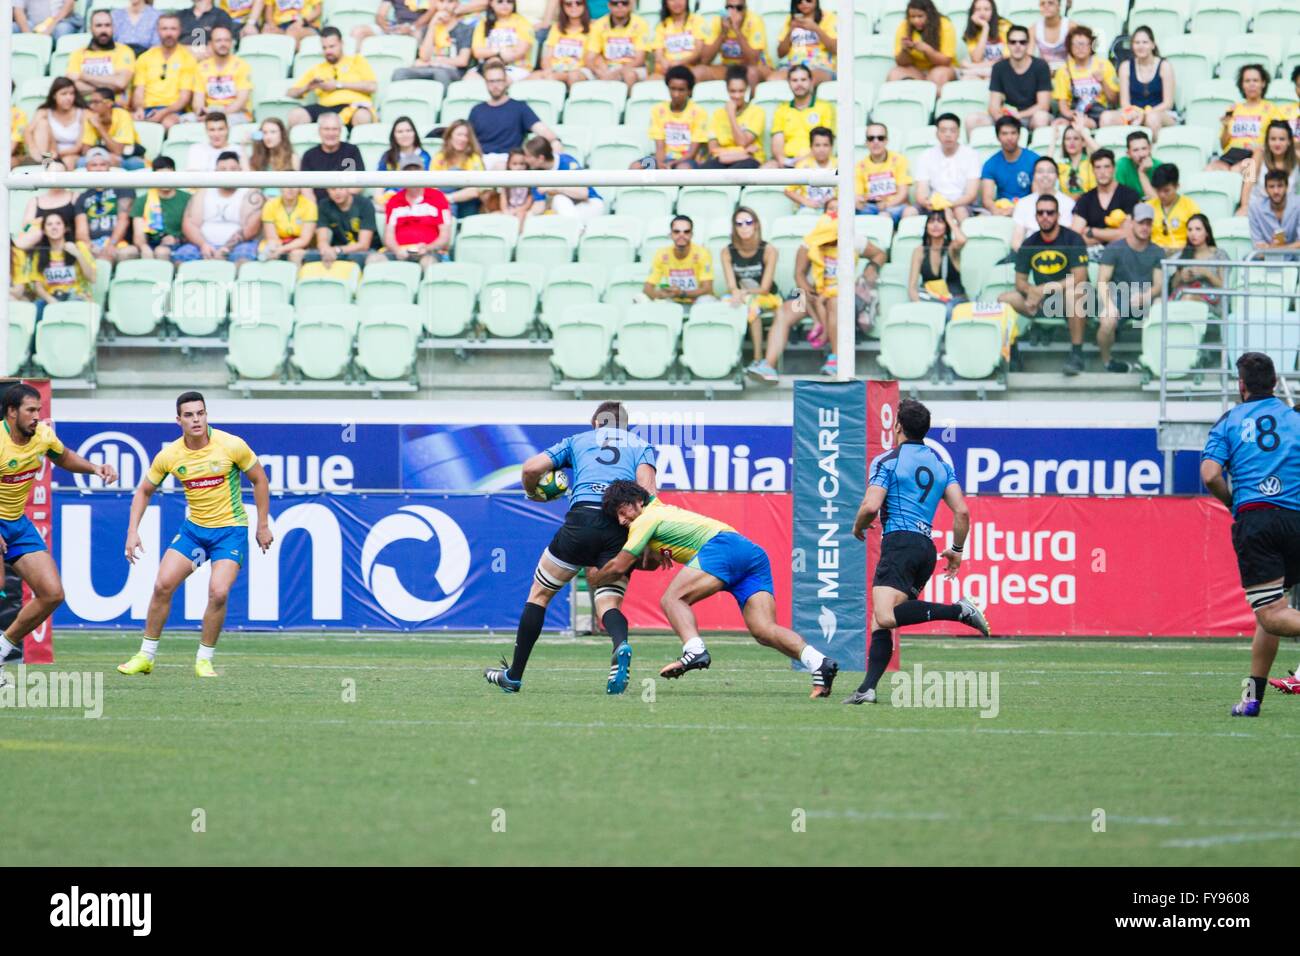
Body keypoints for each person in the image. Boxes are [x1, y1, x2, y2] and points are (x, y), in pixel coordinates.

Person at [590, 480, 841, 698]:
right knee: (764, 630)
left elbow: (619, 565)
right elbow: (653, 562)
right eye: (618, 518)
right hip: (750, 553)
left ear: (637, 502)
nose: (622, 521)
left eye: (623, 512)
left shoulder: (645, 519)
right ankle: (819, 662)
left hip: (722, 547)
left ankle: (694, 651)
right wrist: (652, 552)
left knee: (672, 600)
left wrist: (594, 576)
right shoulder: (659, 512)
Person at [484, 402, 658, 695]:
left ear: (595, 422)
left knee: (539, 595)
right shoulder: (640, 445)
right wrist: (649, 542)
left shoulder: (577, 441)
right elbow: (650, 495)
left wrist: (532, 493)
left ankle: (514, 675)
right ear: (625, 426)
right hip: (619, 527)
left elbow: (530, 468)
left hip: (582, 521)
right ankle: (620, 644)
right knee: (608, 603)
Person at [117, 393, 272, 680]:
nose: (196, 419)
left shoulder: (231, 445)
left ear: (206, 415)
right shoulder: (170, 455)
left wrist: (262, 525)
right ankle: (145, 656)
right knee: (163, 585)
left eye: (200, 413)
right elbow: (144, 491)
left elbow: (259, 479)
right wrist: (132, 531)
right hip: (195, 531)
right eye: (189, 415)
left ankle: (204, 659)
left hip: (230, 531)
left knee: (219, 592)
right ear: (179, 420)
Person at [845, 398, 989, 706]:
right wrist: (957, 550)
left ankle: (959, 611)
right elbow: (962, 512)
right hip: (925, 548)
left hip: (899, 542)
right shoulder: (940, 464)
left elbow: (870, 506)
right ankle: (867, 688)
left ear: (897, 426)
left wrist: (858, 526)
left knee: (884, 615)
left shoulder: (887, 460)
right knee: (880, 621)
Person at [1199, 353, 1300, 716]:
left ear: (1241, 385)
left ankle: (1252, 699)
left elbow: (1210, 474)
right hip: (1295, 519)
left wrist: (1232, 503)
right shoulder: (1294, 418)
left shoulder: (1230, 420)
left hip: (1257, 520)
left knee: (1272, 615)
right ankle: (1251, 699)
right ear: (1273, 382)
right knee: (1270, 613)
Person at [0, 385, 116, 691]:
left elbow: (62, 457)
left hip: (17, 524)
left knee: (52, 594)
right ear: (12, 412)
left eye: (39, 410)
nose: (37, 416)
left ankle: (2, 647)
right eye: (30, 410)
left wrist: (95, 468)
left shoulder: (42, 436)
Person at [999, 193, 1088, 375]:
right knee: (1004, 299)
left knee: (1074, 294)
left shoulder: (1072, 239)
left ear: (1058, 215)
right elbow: (1020, 281)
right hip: (1042, 300)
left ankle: (1077, 354)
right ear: (1036, 216)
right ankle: (1013, 354)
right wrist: (1031, 291)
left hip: (1072, 298)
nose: (1045, 217)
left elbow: (1079, 278)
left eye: (1050, 212)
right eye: (1041, 213)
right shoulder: (1029, 243)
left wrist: (1044, 289)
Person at [1095, 202, 1166, 373]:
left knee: (1159, 306)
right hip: (1119, 297)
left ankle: (1155, 361)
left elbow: (1159, 285)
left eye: (1148, 223)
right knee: (1107, 320)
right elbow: (1102, 280)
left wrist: (1145, 296)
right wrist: (1110, 306)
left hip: (1144, 298)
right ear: (1132, 222)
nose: (1144, 227)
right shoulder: (1114, 249)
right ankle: (1107, 361)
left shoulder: (1157, 251)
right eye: (1141, 222)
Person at [468, 60, 560, 169]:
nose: (495, 85)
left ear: (506, 81)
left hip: (509, 162)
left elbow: (541, 129)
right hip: (480, 160)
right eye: (491, 81)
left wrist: (555, 141)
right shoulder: (477, 110)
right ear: (486, 83)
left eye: (499, 81)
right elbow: (468, 139)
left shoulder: (519, 107)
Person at [172, 152, 263, 263]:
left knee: (243, 257)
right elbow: (189, 224)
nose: (228, 173)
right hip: (203, 245)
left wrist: (226, 248)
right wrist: (203, 245)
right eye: (223, 170)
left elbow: (251, 229)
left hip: (240, 245)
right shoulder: (203, 192)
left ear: (240, 170)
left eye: (233, 169)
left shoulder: (251, 193)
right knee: (182, 256)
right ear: (215, 172)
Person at [720, 206, 779, 368]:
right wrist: (736, 293)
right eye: (739, 224)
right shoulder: (727, 251)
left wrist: (742, 293)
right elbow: (731, 285)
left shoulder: (769, 250)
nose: (744, 227)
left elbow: (765, 288)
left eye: (748, 222)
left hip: (768, 297)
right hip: (742, 296)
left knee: (752, 305)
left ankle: (758, 358)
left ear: (756, 225)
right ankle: (724, 359)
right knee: (722, 304)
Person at [287, 27, 377, 129]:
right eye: (324, 48)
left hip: (353, 106)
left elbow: (372, 86)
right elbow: (290, 92)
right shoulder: (318, 68)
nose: (328, 51)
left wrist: (338, 85)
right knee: (295, 115)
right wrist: (307, 87)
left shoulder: (357, 60)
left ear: (341, 43)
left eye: (332, 46)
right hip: (325, 108)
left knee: (362, 116)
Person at [968, 23, 1051, 132]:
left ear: (1028, 44)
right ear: (1007, 44)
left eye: (1022, 42)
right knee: (973, 120)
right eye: (1013, 42)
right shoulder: (999, 67)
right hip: (1006, 117)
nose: (1017, 46)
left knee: (1041, 117)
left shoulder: (1041, 66)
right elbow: (993, 105)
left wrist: (1019, 115)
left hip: (1031, 116)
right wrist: (1004, 119)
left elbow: (1043, 105)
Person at [23, 212, 97, 322]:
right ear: (44, 230)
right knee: (36, 309)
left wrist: (78, 254)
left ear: (65, 228)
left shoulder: (79, 247)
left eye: (58, 223)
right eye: (49, 224)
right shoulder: (39, 254)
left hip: (76, 297)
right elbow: (38, 287)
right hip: (50, 299)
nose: (54, 227)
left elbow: (92, 278)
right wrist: (52, 302)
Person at [1101, 25, 1176, 133]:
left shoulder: (1164, 66)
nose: (1141, 46)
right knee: (1106, 117)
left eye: (1145, 42)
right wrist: (1135, 113)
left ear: (1153, 45)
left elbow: (1168, 103)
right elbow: (1124, 103)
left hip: (1159, 113)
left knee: (1152, 119)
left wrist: (1145, 114)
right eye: (1137, 43)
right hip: (1133, 113)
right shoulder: (1125, 67)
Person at [636, 64, 710, 169]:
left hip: (687, 161)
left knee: (682, 170)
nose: (676, 94)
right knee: (636, 166)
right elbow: (660, 146)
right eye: (673, 89)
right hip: (664, 159)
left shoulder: (699, 112)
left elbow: (692, 153)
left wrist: (672, 164)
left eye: (681, 90)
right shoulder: (658, 110)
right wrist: (661, 164)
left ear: (689, 91)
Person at [131, 14, 198, 130]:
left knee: (168, 123)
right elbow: (139, 91)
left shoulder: (188, 58)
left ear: (180, 31)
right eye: (164, 29)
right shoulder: (145, 57)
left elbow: (184, 98)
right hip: (147, 108)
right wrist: (139, 109)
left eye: (173, 29)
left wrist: (162, 113)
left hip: (174, 110)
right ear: (158, 30)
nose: (169, 33)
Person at [75, 147, 139, 268]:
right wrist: (92, 247)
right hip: (93, 245)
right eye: (94, 165)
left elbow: (123, 220)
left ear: (109, 166)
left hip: (120, 243)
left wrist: (111, 244)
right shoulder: (82, 197)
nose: (99, 169)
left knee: (129, 252)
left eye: (102, 164)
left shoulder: (123, 188)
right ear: (87, 168)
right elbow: (81, 231)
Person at [1209, 64, 1275, 175]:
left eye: (1255, 80)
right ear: (1242, 85)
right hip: (1230, 155)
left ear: (1263, 83)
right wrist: (1225, 127)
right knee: (1209, 170)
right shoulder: (1233, 109)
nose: (1251, 84)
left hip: (1254, 155)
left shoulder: (1271, 109)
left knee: (1235, 171)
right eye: (1247, 81)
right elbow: (1223, 145)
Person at [644, 215, 716, 316]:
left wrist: (682, 293)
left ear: (691, 234)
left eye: (686, 232)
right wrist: (660, 294)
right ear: (670, 234)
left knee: (706, 300)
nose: (681, 235)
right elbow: (647, 288)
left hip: (696, 301)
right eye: (676, 232)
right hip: (672, 301)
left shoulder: (702, 253)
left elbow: (708, 289)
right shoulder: (661, 254)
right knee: (643, 299)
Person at [1070, 147, 1140, 251]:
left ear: (1114, 168)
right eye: (1098, 167)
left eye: (1107, 167)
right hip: (1091, 257)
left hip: (1123, 255)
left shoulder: (1129, 195)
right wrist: (1113, 234)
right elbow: (1075, 237)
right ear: (1093, 170)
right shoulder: (1086, 199)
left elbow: (1128, 234)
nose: (1102, 172)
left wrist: (1092, 232)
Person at [914, 112, 981, 220]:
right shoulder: (926, 155)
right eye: (943, 130)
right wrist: (926, 202)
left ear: (959, 133)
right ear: (937, 133)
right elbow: (921, 191)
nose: (948, 135)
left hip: (961, 204)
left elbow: (971, 194)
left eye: (952, 131)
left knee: (960, 211)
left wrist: (950, 205)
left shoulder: (971, 155)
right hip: (933, 203)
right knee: (909, 212)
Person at [768, 62, 836, 168]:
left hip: (814, 161)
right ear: (788, 83)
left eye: (803, 80)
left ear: (811, 81)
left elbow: (825, 142)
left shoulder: (824, 107)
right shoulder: (781, 109)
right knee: (766, 169)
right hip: (787, 162)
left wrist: (800, 161)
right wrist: (782, 160)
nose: (799, 84)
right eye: (795, 80)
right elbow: (777, 141)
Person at [522, 135, 605, 220]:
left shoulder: (566, 162)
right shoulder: (536, 173)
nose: (525, 160)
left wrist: (555, 188)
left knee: (558, 199)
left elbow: (583, 193)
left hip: (590, 204)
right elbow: (539, 205)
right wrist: (523, 217)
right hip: (568, 211)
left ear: (541, 158)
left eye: (528, 156)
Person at [1051, 24, 1117, 131]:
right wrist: (1072, 115)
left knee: (1084, 124)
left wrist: (1102, 82)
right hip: (1073, 114)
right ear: (1069, 47)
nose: (1080, 48)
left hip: (1098, 114)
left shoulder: (1104, 65)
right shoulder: (1064, 70)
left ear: (1091, 45)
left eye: (1083, 44)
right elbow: (1063, 105)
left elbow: (1114, 100)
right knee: (1057, 124)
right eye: (1075, 44)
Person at [394, 0, 471, 90]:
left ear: (457, 4)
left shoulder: (465, 29)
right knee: (400, 73)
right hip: (428, 68)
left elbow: (462, 61)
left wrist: (435, 61)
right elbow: (425, 57)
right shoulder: (427, 28)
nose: (445, 6)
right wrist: (432, 25)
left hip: (452, 71)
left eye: (450, 2)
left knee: (440, 74)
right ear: (435, 4)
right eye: (441, 2)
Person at [384, 171, 453, 269]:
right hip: (399, 252)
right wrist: (397, 250)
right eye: (409, 170)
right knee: (375, 260)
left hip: (430, 252)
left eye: (416, 170)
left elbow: (445, 237)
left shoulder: (438, 197)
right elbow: (388, 236)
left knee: (428, 263)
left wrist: (427, 248)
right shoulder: (394, 200)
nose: (413, 174)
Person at [694, 0, 769, 88]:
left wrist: (737, 30)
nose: (734, 12)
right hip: (728, 67)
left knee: (751, 73)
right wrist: (723, 33)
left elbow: (753, 60)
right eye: (729, 7)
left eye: (739, 8)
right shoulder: (718, 20)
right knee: (699, 71)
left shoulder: (755, 20)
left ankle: (751, 101)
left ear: (745, 9)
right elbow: (705, 60)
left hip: (755, 67)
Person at [909, 207, 966, 320]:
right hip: (931, 299)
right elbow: (912, 287)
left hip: (955, 299)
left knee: (947, 310)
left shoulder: (951, 248)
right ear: (926, 227)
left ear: (946, 226)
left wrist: (950, 219)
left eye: (940, 221)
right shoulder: (919, 251)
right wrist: (919, 305)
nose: (935, 225)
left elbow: (962, 240)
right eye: (931, 221)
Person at [131, 155, 191, 262]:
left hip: (177, 245)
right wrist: (144, 247)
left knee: (161, 252)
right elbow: (138, 233)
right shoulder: (142, 201)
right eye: (161, 176)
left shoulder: (187, 199)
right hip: (150, 244)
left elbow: (193, 229)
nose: (165, 180)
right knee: (126, 252)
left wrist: (177, 239)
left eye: (168, 175)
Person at [704, 64, 765, 169]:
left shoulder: (757, 112)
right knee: (705, 169)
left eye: (741, 91)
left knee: (735, 173)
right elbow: (712, 148)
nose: (737, 96)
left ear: (747, 89)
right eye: (733, 91)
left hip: (748, 160)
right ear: (727, 90)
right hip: (725, 158)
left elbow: (742, 142)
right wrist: (743, 151)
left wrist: (731, 115)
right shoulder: (718, 114)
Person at [66, 10, 136, 101]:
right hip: (85, 108)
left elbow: (121, 83)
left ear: (113, 28)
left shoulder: (124, 51)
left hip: (115, 107)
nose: (103, 30)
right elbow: (72, 87)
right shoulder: (78, 54)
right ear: (90, 28)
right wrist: (109, 86)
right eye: (98, 26)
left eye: (107, 25)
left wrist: (84, 77)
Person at [1011, 154, 1075, 251]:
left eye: (1050, 171)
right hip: (1029, 253)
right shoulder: (1023, 203)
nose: (1045, 175)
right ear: (1033, 176)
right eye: (1040, 171)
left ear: (1057, 176)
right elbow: (1017, 240)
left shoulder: (1069, 203)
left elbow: (1069, 237)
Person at [888, 0, 956, 91]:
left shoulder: (945, 24)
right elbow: (900, 62)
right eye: (912, 17)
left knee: (938, 75)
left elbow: (946, 61)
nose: (916, 20)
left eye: (920, 16)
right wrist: (905, 50)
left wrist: (927, 50)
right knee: (894, 74)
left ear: (930, 15)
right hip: (917, 71)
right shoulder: (904, 26)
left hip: (941, 68)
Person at [192, 25, 254, 124]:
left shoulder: (242, 66)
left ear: (231, 43)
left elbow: (241, 101)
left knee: (219, 124)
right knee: (186, 120)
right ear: (210, 44)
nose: (223, 44)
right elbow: (198, 100)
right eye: (218, 40)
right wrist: (202, 113)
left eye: (227, 40)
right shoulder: (201, 67)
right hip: (210, 111)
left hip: (236, 113)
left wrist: (218, 116)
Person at [13, 158, 77, 252]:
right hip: (40, 247)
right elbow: (26, 228)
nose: (56, 178)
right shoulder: (35, 201)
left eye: (60, 174)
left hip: (68, 244)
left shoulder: (74, 197)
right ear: (46, 175)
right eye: (52, 174)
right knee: (36, 233)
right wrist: (41, 222)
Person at [312, 185, 387, 267]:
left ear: (349, 188)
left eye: (341, 188)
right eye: (333, 189)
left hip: (367, 251)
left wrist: (337, 250)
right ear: (327, 190)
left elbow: (364, 245)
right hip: (337, 251)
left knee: (370, 259)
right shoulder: (324, 205)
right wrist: (326, 250)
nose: (337, 192)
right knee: (307, 257)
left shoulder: (364, 203)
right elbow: (322, 239)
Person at [854, 121, 915, 222]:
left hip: (895, 206)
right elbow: (858, 195)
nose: (876, 141)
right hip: (870, 207)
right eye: (871, 138)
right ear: (866, 142)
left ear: (886, 141)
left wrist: (886, 205)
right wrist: (860, 201)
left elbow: (903, 193)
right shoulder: (859, 166)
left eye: (880, 138)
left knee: (909, 211)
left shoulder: (900, 160)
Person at [300, 111, 366, 203]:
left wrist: (341, 201)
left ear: (340, 131)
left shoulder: (352, 151)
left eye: (334, 129)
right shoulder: (309, 155)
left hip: (347, 206)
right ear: (319, 131)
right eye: (326, 129)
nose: (330, 133)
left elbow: (359, 182)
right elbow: (306, 188)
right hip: (319, 208)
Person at [981, 115, 1039, 215]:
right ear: (998, 137)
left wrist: (1017, 210)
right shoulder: (990, 164)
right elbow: (987, 199)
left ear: (1019, 135)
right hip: (1002, 210)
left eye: (1013, 133)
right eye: (1004, 134)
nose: (1009, 138)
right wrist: (997, 211)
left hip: (1029, 210)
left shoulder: (1034, 160)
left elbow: (1037, 195)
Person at [771, 0, 837, 87]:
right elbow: (780, 53)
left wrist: (815, 28)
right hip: (793, 65)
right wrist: (790, 31)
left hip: (821, 65)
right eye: (799, 1)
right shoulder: (791, 19)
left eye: (808, 0)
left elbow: (835, 49)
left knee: (807, 80)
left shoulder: (829, 17)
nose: (804, 3)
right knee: (772, 79)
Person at [26, 77, 89, 168]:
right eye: (64, 94)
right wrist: (33, 148)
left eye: (71, 94)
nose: (69, 98)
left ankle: (50, 169)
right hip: (48, 153)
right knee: (42, 123)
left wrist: (56, 154)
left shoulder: (82, 113)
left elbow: (78, 147)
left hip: (71, 154)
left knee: (67, 162)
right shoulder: (45, 111)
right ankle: (44, 164)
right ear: (54, 95)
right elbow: (28, 131)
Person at [469, 0, 537, 83]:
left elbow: (520, 51)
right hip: (486, 67)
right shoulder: (483, 24)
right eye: (500, 1)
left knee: (498, 81)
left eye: (509, 1)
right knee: (468, 80)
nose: (505, 4)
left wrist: (491, 53)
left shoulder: (522, 22)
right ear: (491, 3)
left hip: (515, 68)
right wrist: (500, 52)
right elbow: (478, 52)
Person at [1239, 120, 1297, 217]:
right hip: (1258, 210)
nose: (1277, 143)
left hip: (1288, 213)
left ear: (1289, 141)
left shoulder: (1296, 159)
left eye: (1282, 139)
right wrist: (1244, 207)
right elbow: (1247, 185)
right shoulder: (1258, 156)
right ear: (1267, 141)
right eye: (1273, 139)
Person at [1168, 213, 1224, 315]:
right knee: (1158, 303)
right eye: (1190, 230)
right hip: (1183, 297)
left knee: (1188, 298)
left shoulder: (1219, 255)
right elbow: (1173, 286)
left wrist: (1207, 274)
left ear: (1207, 232)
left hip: (1211, 303)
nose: (1193, 233)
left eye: (1198, 229)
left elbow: (1225, 286)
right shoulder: (1184, 254)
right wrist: (1181, 276)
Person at [81, 85, 146, 170]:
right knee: (81, 162)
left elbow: (118, 151)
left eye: (96, 102)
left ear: (109, 103)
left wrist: (99, 127)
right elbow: (86, 151)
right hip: (102, 158)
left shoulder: (123, 115)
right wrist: (103, 157)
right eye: (90, 102)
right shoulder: (91, 118)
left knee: (134, 164)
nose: (91, 106)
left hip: (127, 157)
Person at [431, 118, 486, 217]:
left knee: (455, 172)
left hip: (467, 203)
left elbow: (475, 191)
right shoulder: (439, 157)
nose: (462, 139)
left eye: (466, 136)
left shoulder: (474, 158)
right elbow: (433, 187)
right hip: (442, 202)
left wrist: (449, 198)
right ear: (450, 136)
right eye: (459, 135)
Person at [533, 0, 595, 85]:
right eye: (568, 4)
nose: (574, 6)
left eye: (578, 3)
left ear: (584, 5)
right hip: (555, 68)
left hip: (580, 70)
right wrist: (548, 70)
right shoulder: (557, 27)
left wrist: (558, 75)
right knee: (530, 78)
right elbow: (547, 57)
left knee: (573, 76)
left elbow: (591, 59)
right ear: (562, 6)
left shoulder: (593, 28)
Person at [259, 185, 318, 265]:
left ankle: (296, 277)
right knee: (269, 251)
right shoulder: (270, 205)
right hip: (278, 242)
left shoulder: (309, 206)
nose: (290, 189)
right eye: (286, 185)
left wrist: (282, 249)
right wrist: (276, 248)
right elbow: (272, 237)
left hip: (301, 245)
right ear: (280, 187)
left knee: (296, 254)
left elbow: (305, 239)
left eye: (294, 185)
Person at [1149, 162, 1200, 254]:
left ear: (1177, 186)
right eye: (1158, 190)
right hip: (1153, 255)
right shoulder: (1148, 207)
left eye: (1166, 190)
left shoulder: (1190, 207)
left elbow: (1197, 237)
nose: (1161, 195)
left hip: (1182, 255)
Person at [650, 0, 708, 79]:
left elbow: (698, 52)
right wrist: (664, 61)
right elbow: (658, 54)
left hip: (691, 68)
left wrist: (680, 63)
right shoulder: (662, 25)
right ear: (666, 3)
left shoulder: (697, 20)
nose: (676, 2)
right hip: (668, 70)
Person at [785, 125, 836, 214]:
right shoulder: (802, 166)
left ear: (831, 147)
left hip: (833, 209)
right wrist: (806, 202)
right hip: (808, 209)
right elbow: (788, 191)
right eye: (817, 145)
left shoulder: (839, 165)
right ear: (811, 147)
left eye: (825, 145)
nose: (821, 149)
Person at [1249, 169, 1300, 254]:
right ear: (1266, 189)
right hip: (1266, 260)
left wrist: (1273, 249)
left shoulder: (1298, 204)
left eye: (1280, 186)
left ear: (1287, 187)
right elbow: (1258, 248)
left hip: (1294, 260)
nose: (1276, 191)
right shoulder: (1255, 208)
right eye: (1271, 186)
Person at [958, 0, 1011, 81]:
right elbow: (976, 59)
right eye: (978, 9)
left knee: (989, 78)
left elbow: (1007, 60)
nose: (982, 13)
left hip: (1002, 69)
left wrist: (973, 66)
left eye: (986, 9)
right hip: (982, 69)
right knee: (968, 78)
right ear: (972, 12)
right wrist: (985, 28)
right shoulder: (971, 32)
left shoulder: (1005, 26)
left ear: (993, 11)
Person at [350, 0, 434, 47]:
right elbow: (380, 15)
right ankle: (355, 66)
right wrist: (386, 28)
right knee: (359, 31)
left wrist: (412, 27)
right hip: (396, 26)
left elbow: (432, 10)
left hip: (417, 27)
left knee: (419, 34)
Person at [1114, 129, 1161, 198]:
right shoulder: (1121, 165)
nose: (1141, 154)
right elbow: (1119, 196)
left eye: (1144, 148)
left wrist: (1142, 173)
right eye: (1135, 150)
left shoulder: (1159, 166)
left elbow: (1158, 201)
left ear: (1150, 149)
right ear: (1128, 153)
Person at [1055, 121, 1095, 199]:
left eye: (1076, 138)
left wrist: (1082, 132)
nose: (1071, 142)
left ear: (1083, 142)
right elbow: (1045, 167)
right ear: (1064, 143)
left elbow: (1104, 155)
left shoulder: (1091, 162)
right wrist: (1053, 139)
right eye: (1067, 139)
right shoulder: (1060, 165)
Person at [12, 0, 83, 42]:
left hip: (60, 22)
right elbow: (18, 10)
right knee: (11, 28)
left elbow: (69, 4)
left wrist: (50, 27)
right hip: (33, 24)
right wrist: (28, 36)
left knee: (62, 29)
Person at [1028, 0, 1069, 71]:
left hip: (1067, 71)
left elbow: (1076, 57)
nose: (1046, 6)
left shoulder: (1070, 26)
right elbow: (1029, 56)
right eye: (1042, 4)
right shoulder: (1033, 29)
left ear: (1059, 6)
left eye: (1051, 3)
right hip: (1044, 71)